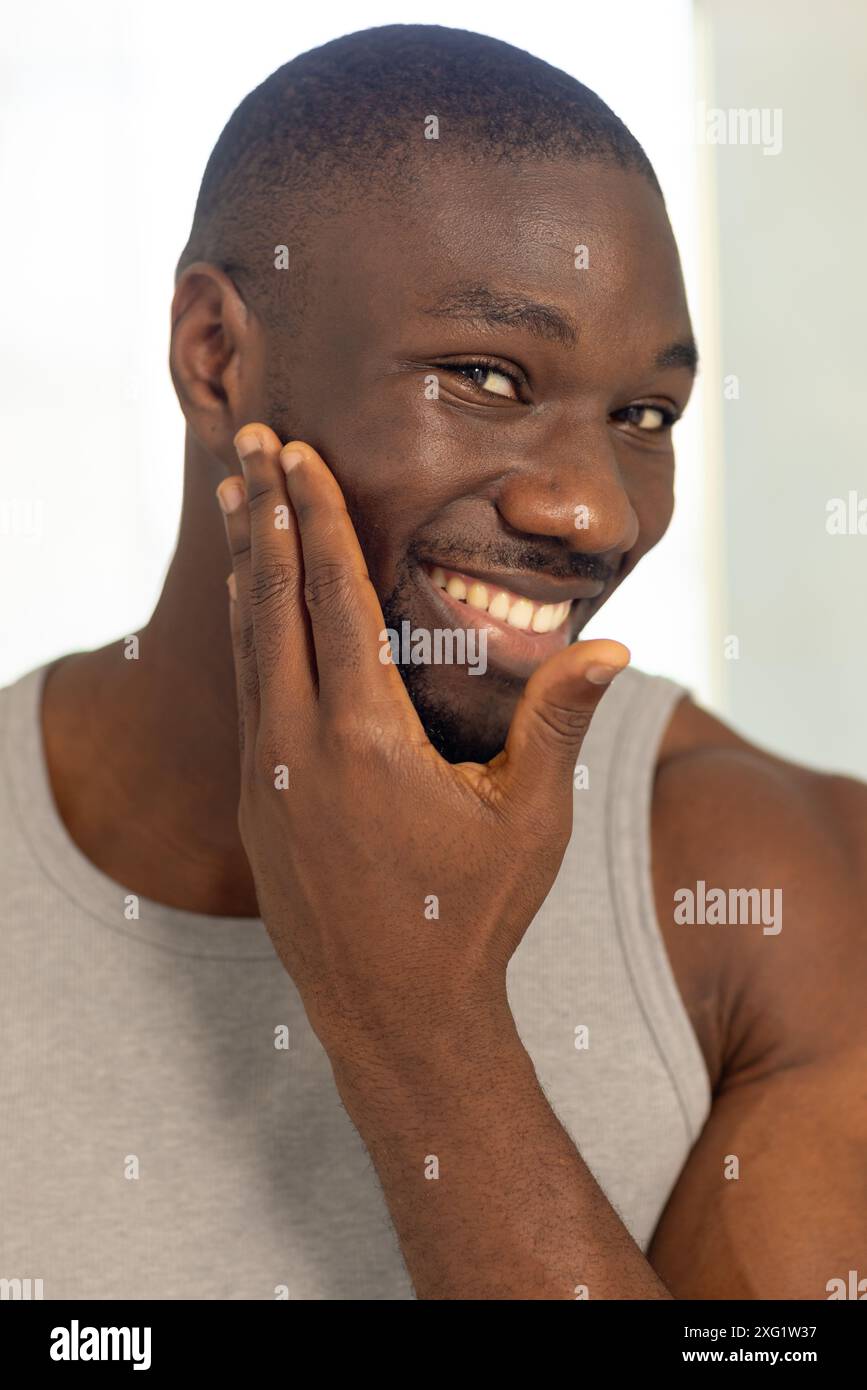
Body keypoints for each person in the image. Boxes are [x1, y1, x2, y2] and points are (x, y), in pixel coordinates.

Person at [2, 24, 864, 1301]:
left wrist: (422, 1026)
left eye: (644, 417)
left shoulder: (771, 883)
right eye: (485, 376)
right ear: (212, 353)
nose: (596, 514)